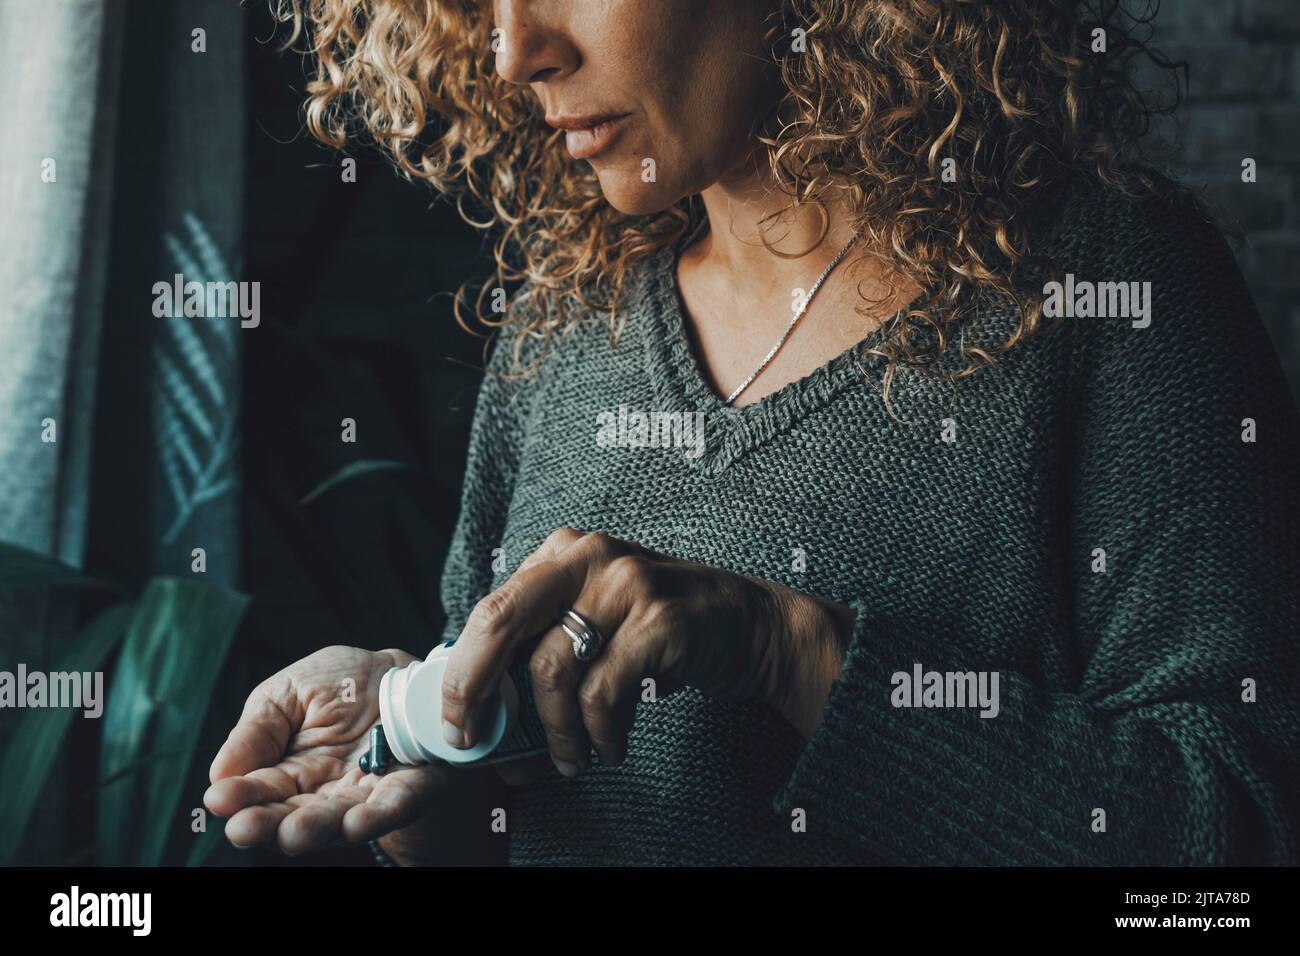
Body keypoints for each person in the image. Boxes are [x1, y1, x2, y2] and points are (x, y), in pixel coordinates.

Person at [203, 0, 1300, 866]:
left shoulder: (1111, 290)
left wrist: (789, 651)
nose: (511, 49)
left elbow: (1237, 834)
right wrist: (427, 770)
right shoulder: (565, 314)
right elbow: (529, 813)